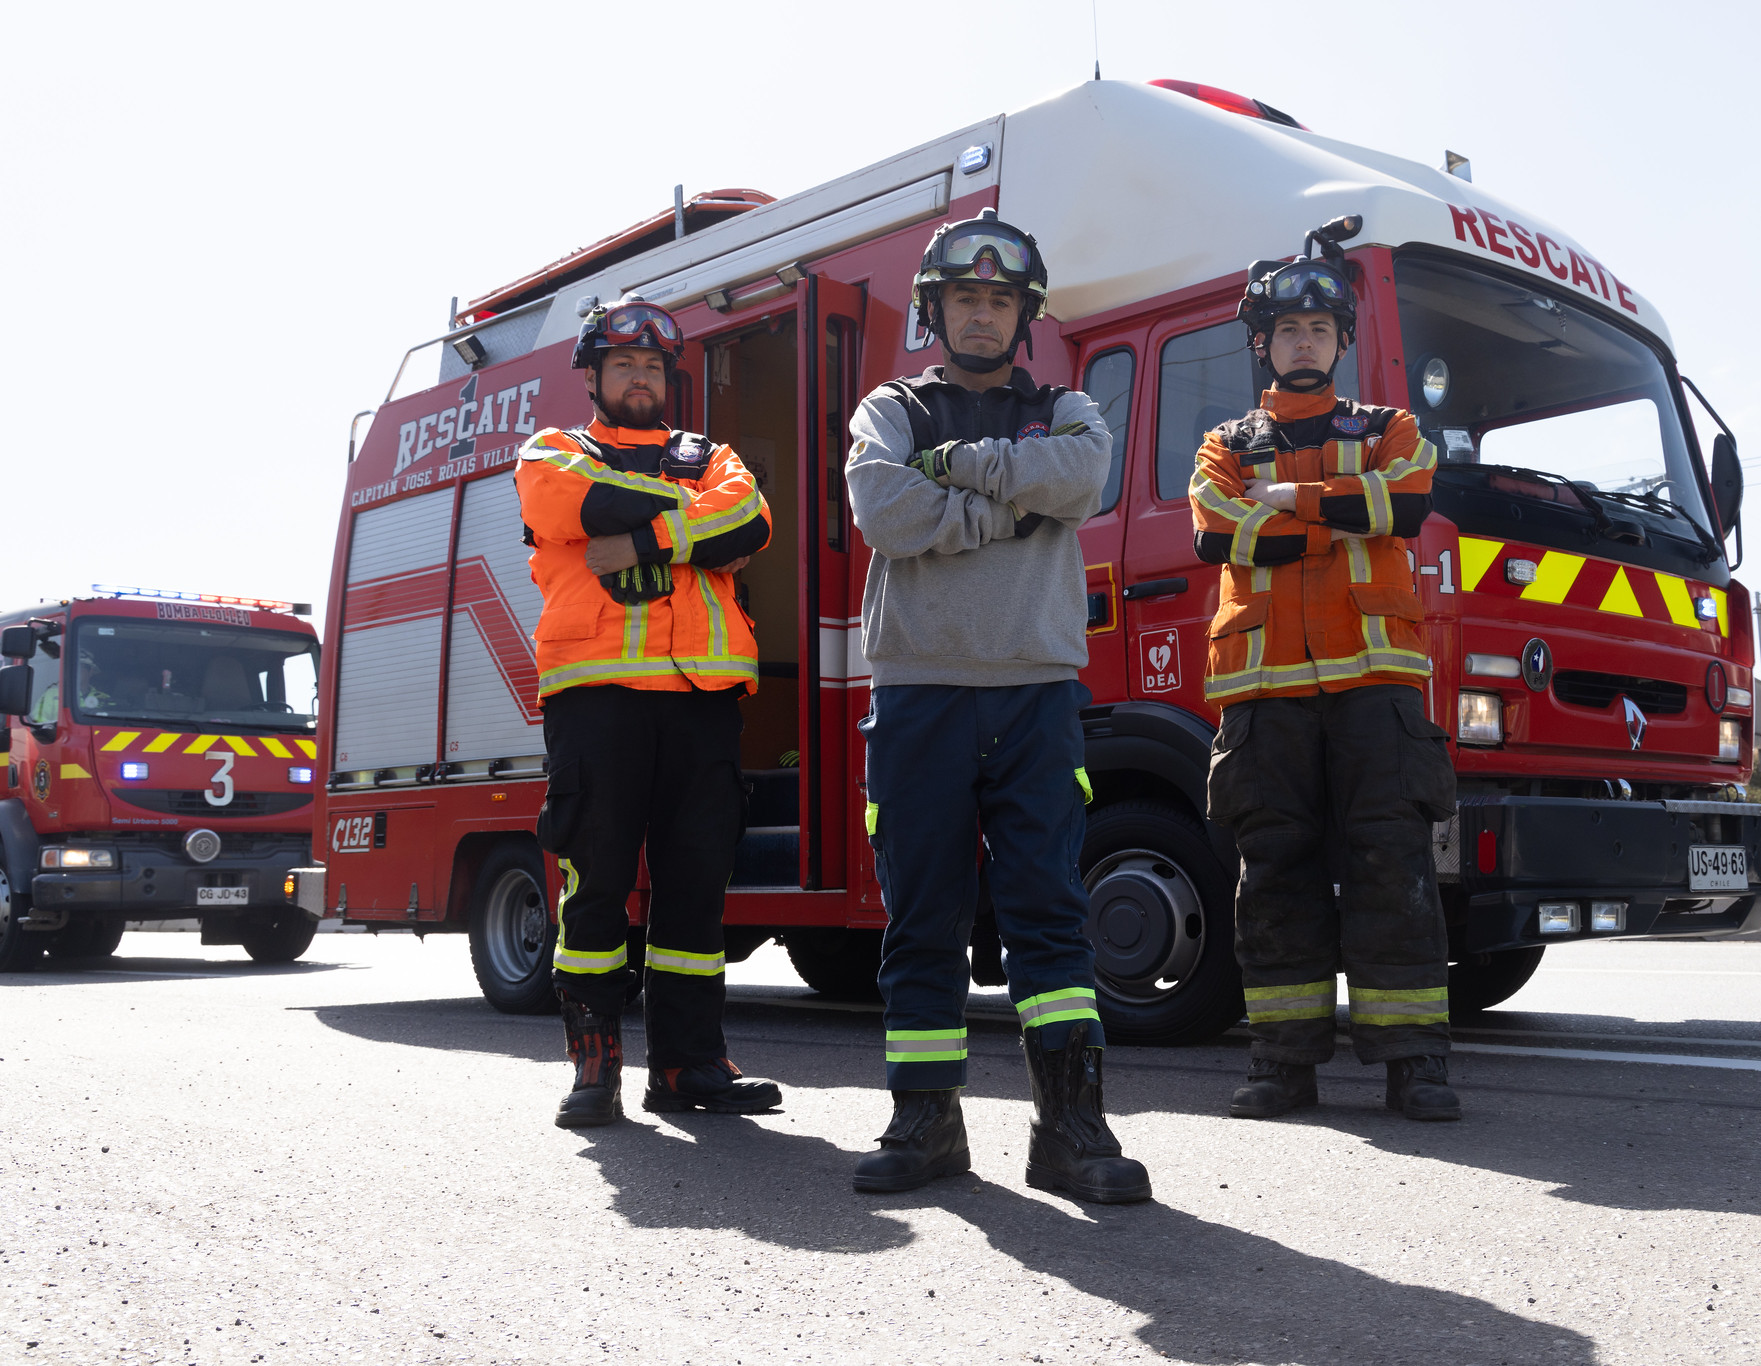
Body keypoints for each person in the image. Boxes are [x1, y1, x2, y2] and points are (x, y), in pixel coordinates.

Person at [842, 210, 1150, 1203]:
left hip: (1034, 691)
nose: (982, 314)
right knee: (921, 914)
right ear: (935, 309)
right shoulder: (889, 405)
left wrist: (958, 477)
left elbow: (1084, 478)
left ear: (1023, 316)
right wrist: (1012, 505)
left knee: (1050, 915)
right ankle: (924, 1122)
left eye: (1000, 300)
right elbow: (880, 506)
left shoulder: (1066, 406)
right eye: (965, 298)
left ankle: (1071, 1128)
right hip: (920, 689)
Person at [1190, 224, 1462, 1122]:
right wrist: (1345, 515)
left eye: (1320, 329)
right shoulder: (1222, 443)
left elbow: (1409, 504)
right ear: (1262, 344)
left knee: (1394, 867)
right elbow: (1216, 531)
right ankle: (1282, 1064)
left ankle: (1414, 1063)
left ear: (1343, 343)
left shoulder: (1394, 430)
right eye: (1286, 330)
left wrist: (1291, 502)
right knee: (1274, 873)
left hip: (1373, 685)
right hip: (1263, 693)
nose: (1304, 342)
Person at [515, 296, 780, 1129]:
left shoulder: (713, 454)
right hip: (598, 704)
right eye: (625, 365)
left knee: (696, 895)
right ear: (591, 376)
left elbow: (752, 518)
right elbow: (574, 507)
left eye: (655, 366)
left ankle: (688, 1064)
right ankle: (595, 1068)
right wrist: (690, 524)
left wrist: (640, 537)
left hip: (703, 703)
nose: (642, 377)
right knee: (594, 890)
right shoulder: (554, 451)